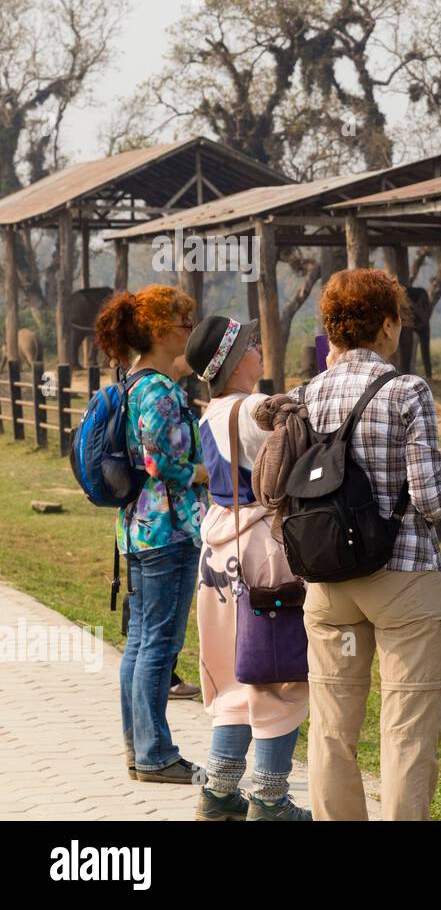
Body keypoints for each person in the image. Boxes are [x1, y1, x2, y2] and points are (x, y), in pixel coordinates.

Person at [295, 268, 441, 821]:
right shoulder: (407, 392)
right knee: (407, 730)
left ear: (332, 329)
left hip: (327, 580)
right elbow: (429, 499)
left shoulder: (308, 394)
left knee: (332, 730)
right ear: (388, 325)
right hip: (404, 579)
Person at [186, 316, 312, 821]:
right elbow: (299, 432)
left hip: (218, 546)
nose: (260, 350)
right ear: (236, 360)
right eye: (251, 344)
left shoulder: (209, 412)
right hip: (262, 547)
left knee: (236, 672)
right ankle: (269, 799)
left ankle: (218, 794)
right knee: (279, 672)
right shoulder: (253, 411)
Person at [94, 285, 208, 783]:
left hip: (137, 529)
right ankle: (157, 754)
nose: (190, 334)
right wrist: (203, 473)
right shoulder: (160, 391)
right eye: (185, 326)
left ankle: (138, 748)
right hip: (169, 530)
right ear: (161, 332)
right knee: (160, 645)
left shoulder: (132, 384)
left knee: (141, 643)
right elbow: (163, 462)